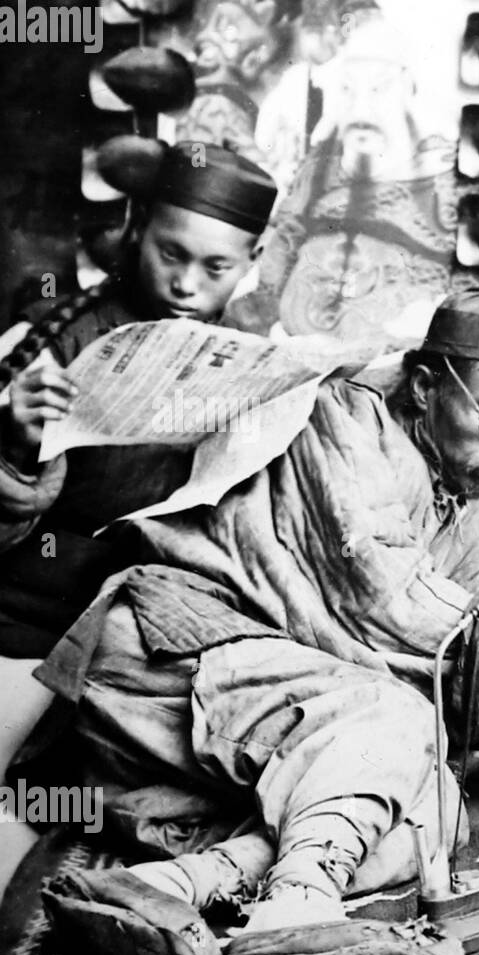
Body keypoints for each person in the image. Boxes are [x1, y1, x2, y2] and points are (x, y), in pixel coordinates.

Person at [39, 288, 479, 955]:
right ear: (423, 388)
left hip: (275, 714)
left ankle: (172, 888)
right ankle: (296, 910)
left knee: (433, 814)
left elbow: (463, 697)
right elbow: (387, 605)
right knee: (396, 721)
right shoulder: (341, 421)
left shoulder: (467, 507)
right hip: (173, 656)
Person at [0, 141, 277, 784]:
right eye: (171, 253)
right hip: (31, 624)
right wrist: (15, 444)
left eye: (216, 267)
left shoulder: (251, 359)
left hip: (150, 634)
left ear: (252, 261)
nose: (186, 283)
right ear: (138, 227)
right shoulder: (56, 336)